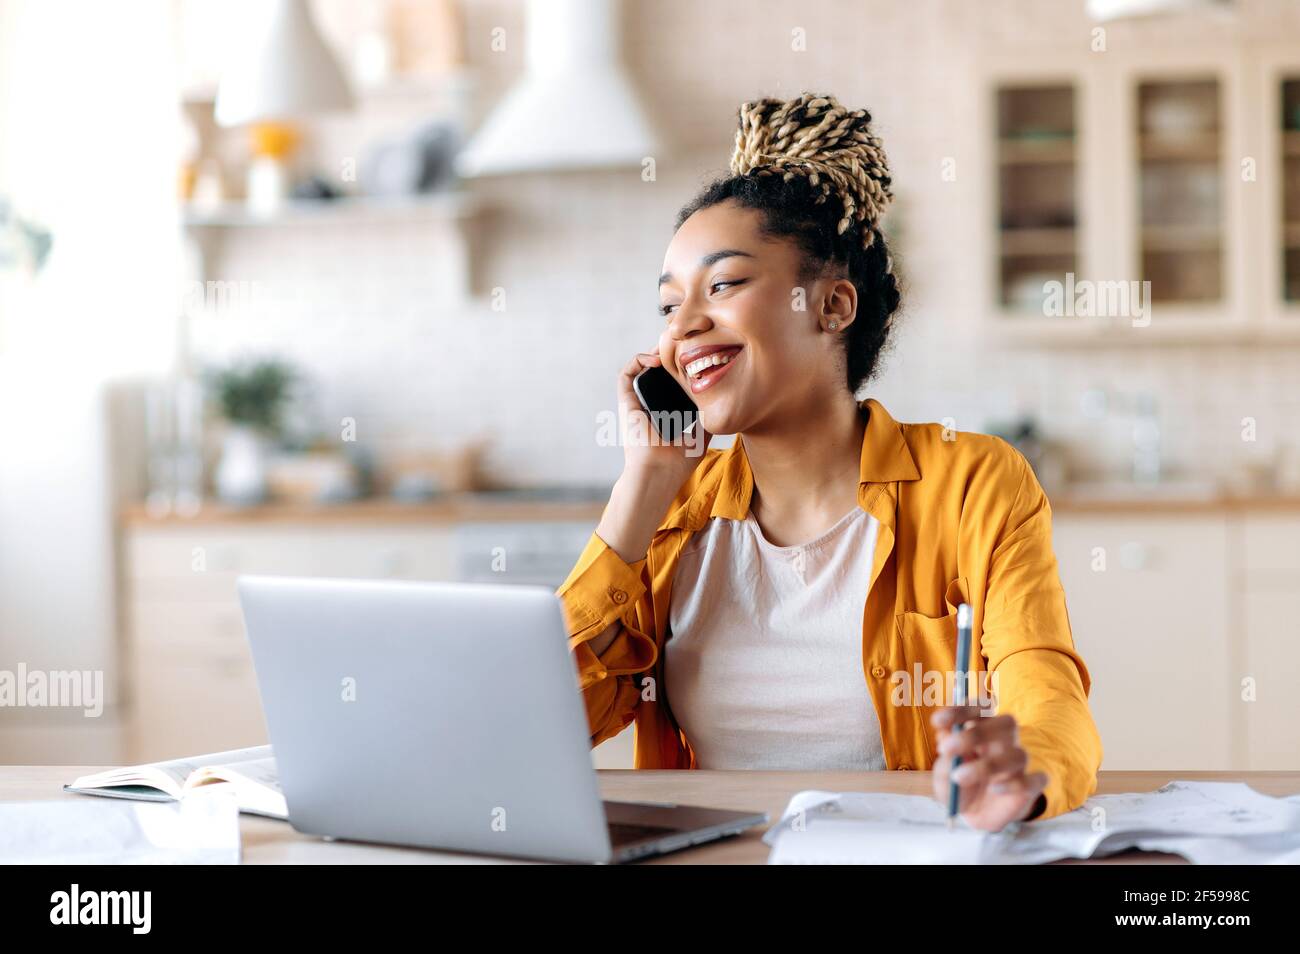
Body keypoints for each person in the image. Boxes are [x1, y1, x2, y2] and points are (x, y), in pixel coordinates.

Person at [556, 93, 1101, 829]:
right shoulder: (672, 513)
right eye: (667, 306)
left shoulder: (975, 484)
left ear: (833, 307)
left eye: (723, 285)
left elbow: (1045, 686)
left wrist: (1025, 766)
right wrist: (642, 487)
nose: (683, 327)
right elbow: (552, 724)